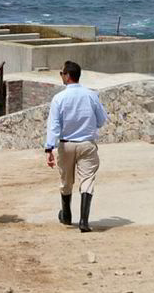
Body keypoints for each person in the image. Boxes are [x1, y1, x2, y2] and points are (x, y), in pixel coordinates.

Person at [44, 60, 108, 232]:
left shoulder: (59, 98)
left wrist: (49, 148)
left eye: (61, 73)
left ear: (67, 76)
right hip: (87, 144)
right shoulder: (91, 95)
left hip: (66, 145)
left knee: (66, 181)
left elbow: (54, 126)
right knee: (87, 180)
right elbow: (102, 120)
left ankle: (66, 216)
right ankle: (84, 222)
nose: (61, 77)